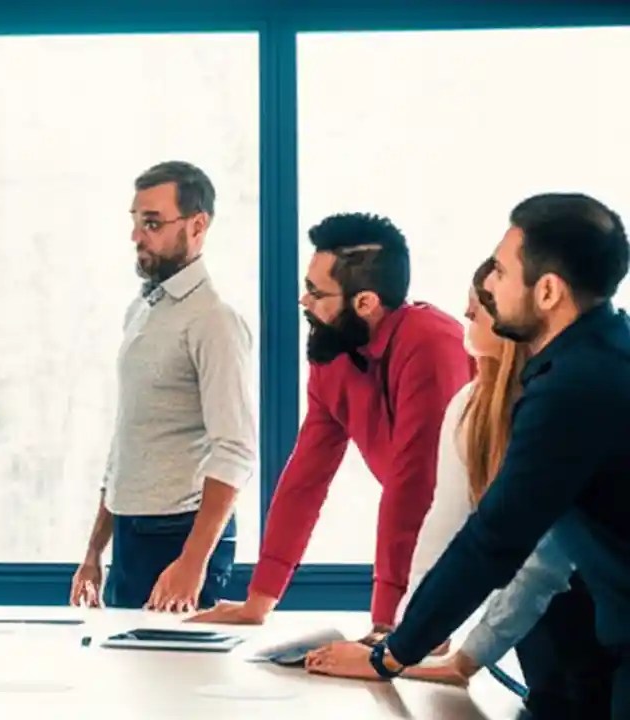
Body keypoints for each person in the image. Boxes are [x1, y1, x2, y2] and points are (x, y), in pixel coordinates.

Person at [303, 192, 630, 718]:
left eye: (500, 271)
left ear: (547, 291)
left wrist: (393, 653)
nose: (489, 286)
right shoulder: (600, 358)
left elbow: (495, 539)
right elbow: (542, 546)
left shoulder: (574, 388)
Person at [189, 213, 473, 638]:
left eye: (316, 293)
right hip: (448, 546)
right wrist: (259, 600)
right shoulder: (334, 357)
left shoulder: (431, 344)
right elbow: (305, 477)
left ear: (365, 303)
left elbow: (415, 485)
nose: (304, 302)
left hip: (509, 546)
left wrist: (385, 627)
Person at [385, 258, 614, 717]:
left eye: (483, 303)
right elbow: (445, 524)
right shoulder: (469, 406)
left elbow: (540, 564)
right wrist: (403, 635)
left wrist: (459, 659)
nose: (467, 313)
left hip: (596, 630)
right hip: (544, 647)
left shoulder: (567, 402)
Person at [69, 161, 257, 613]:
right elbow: (129, 439)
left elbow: (235, 450)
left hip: (181, 535)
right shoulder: (142, 311)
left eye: (152, 223)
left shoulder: (214, 322)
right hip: (132, 536)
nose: (137, 236)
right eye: (135, 222)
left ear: (197, 226)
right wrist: (95, 552)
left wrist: (192, 563)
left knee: (177, 683)